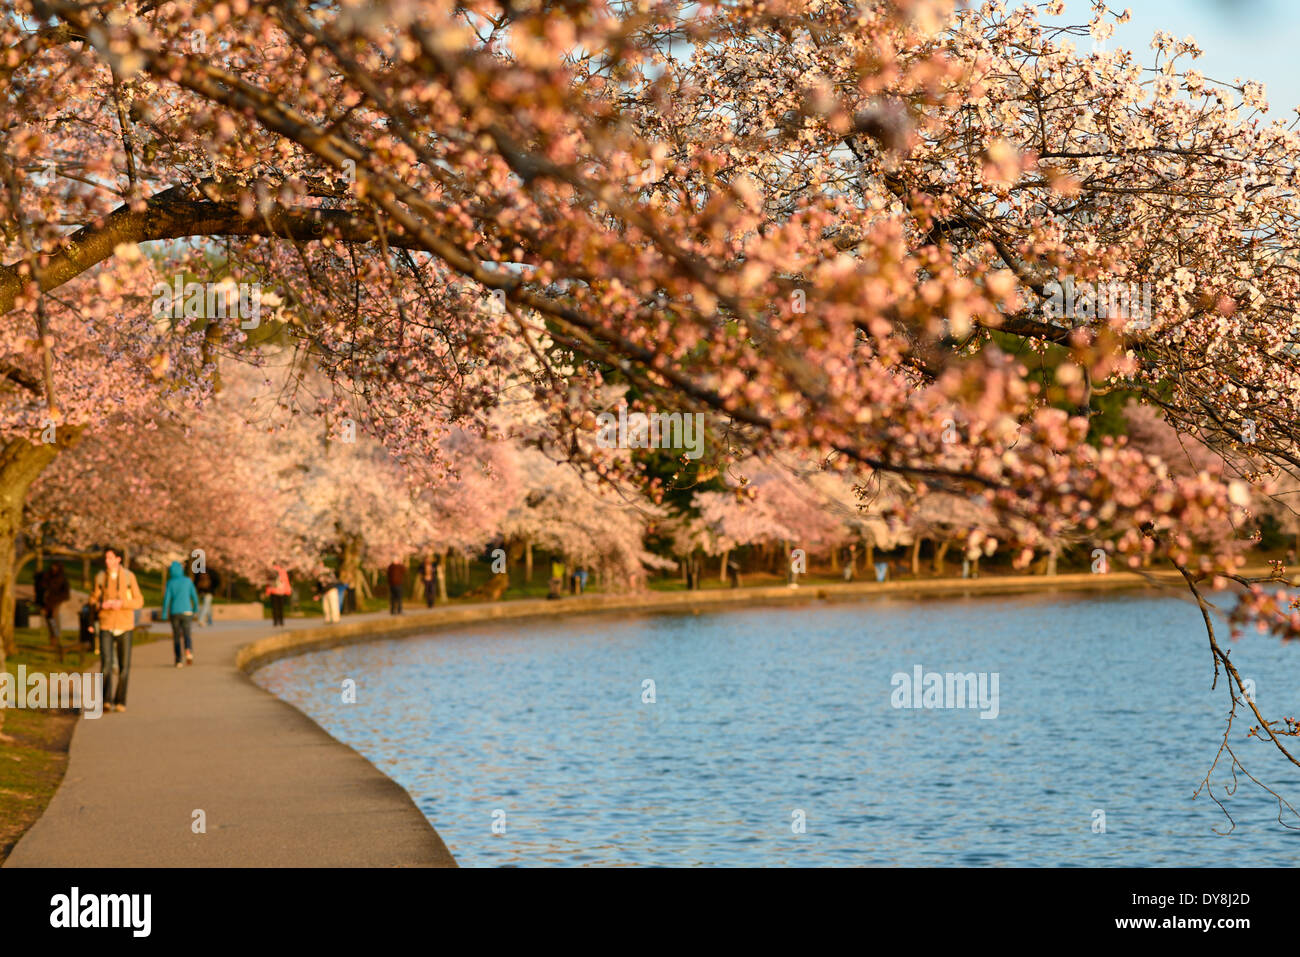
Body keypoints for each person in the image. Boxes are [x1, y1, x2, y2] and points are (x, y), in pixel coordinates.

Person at [90, 547, 144, 713]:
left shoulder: (129, 577)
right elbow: (93, 599)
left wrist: (122, 604)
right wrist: (100, 605)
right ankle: (106, 700)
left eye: (111, 558)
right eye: (106, 558)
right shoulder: (100, 577)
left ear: (118, 559)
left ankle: (120, 701)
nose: (108, 562)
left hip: (125, 625)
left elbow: (139, 601)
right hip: (106, 623)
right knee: (105, 665)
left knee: (124, 667)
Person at [161, 560, 199, 667]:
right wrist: (196, 608)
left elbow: (167, 599)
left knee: (176, 636)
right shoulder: (188, 581)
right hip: (187, 611)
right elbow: (194, 596)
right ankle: (188, 650)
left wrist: (164, 613)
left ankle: (178, 659)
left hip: (175, 612)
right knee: (187, 633)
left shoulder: (170, 582)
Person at [38, 562, 71, 660]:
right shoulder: (47, 577)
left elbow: (65, 593)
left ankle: (56, 638)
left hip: (55, 602)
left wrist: (56, 600)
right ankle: (52, 639)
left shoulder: (62, 579)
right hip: (47, 602)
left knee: (54, 620)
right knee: (49, 620)